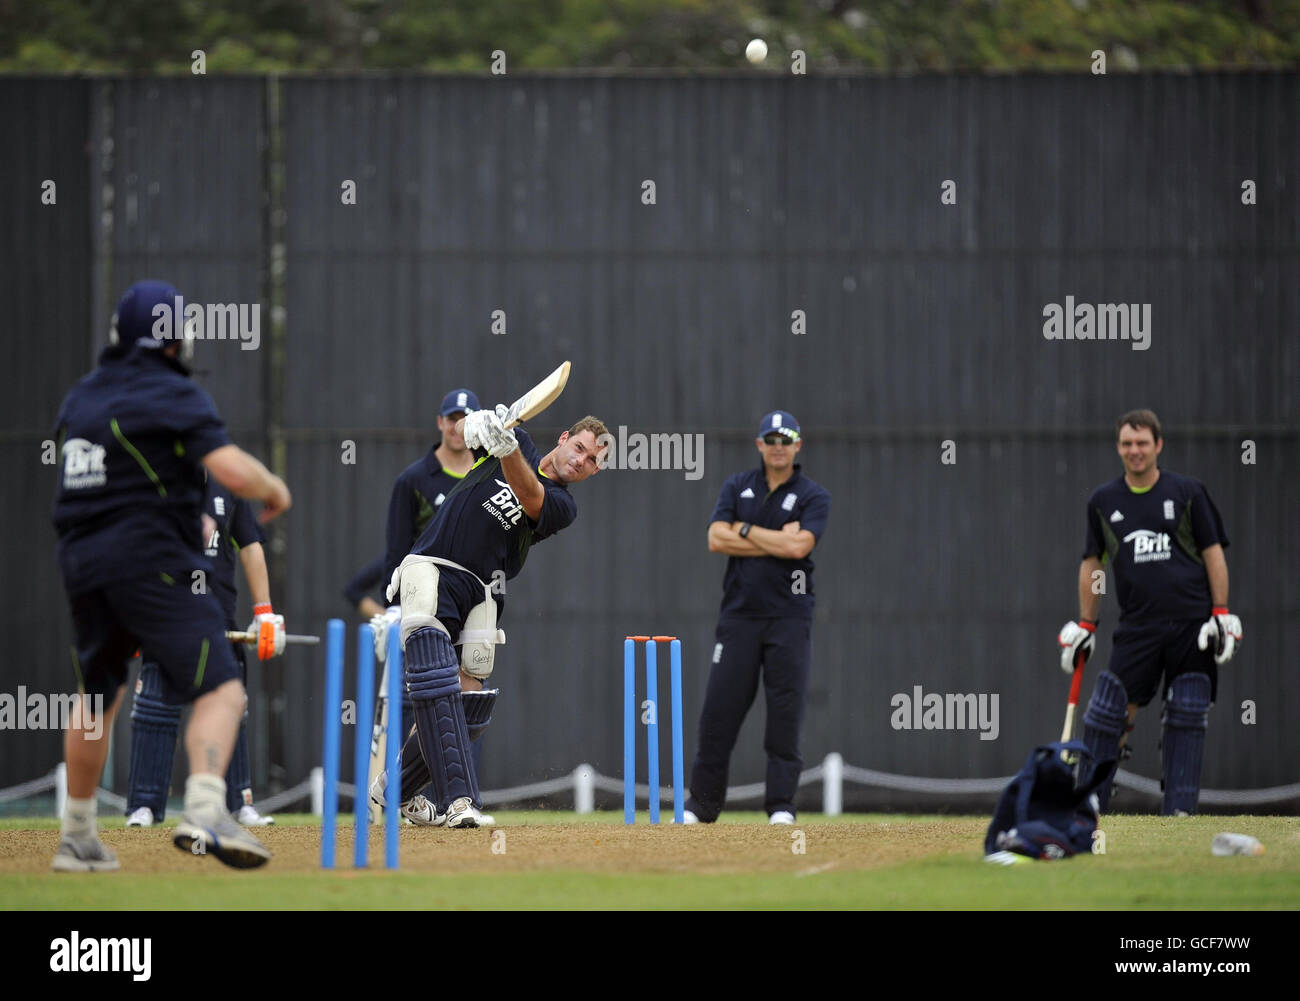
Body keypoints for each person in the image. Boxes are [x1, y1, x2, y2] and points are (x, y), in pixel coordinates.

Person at [50, 280, 290, 871]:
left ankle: (78, 836)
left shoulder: (80, 398)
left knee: (97, 698)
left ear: (117, 334)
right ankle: (208, 806)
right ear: (176, 336)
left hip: (83, 566)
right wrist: (274, 487)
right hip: (151, 562)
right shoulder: (173, 390)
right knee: (222, 688)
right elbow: (228, 468)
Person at [370, 407, 609, 828]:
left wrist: (507, 447)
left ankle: (395, 793)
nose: (582, 461)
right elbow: (465, 430)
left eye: (593, 462)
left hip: (483, 591)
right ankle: (459, 802)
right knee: (435, 681)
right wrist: (482, 423)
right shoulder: (522, 443)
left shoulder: (562, 505)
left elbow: (528, 493)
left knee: (470, 707)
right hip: (434, 565)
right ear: (565, 438)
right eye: (580, 449)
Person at [1058, 409, 1241, 816]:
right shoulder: (1103, 501)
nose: (1134, 451)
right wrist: (1087, 623)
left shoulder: (1188, 493)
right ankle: (1091, 807)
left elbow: (1213, 554)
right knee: (1107, 714)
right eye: (1127, 443)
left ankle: (1179, 812)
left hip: (1193, 625)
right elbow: (1093, 564)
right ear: (1118, 448)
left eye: (1142, 443)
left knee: (1187, 713)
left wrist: (1221, 612)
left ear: (1158, 445)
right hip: (1138, 625)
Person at [684, 410, 830, 825]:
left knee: (785, 714)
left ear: (797, 445)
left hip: (790, 617)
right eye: (772, 439)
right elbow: (716, 537)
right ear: (760, 445)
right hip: (739, 618)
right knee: (718, 713)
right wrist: (770, 537)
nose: (779, 447)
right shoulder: (738, 486)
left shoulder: (813, 495)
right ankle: (701, 807)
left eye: (786, 440)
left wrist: (744, 531)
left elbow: (800, 547)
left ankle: (781, 807)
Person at [125, 477, 286, 828]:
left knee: (231, 709)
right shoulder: (153, 481)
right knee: (155, 709)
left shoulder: (228, 486)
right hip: (164, 619)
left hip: (218, 621)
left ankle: (238, 803)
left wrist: (264, 612)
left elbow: (251, 545)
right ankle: (144, 806)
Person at [368, 388, 483, 825]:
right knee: (433, 696)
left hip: (471, 600)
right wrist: (393, 607)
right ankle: (441, 800)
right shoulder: (414, 480)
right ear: (440, 422)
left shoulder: (487, 473)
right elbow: (395, 549)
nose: (457, 426)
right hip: (423, 600)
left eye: (466, 418)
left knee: (468, 697)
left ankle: (425, 794)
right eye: (451, 417)